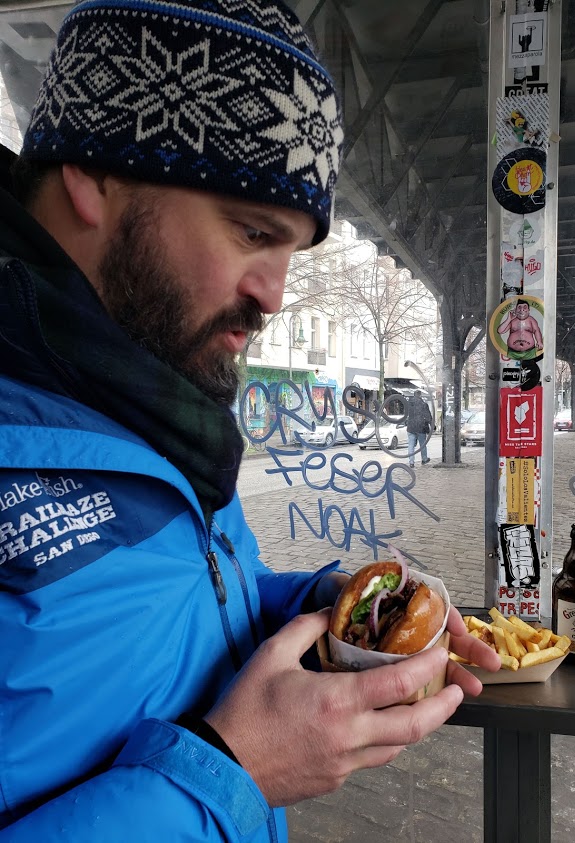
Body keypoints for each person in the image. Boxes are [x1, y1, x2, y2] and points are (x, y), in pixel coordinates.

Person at [0, 1, 500, 840]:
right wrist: (231, 773)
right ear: (93, 174)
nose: (273, 295)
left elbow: (172, 612)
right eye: (249, 232)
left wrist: (320, 610)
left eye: (290, 252)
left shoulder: (160, 391)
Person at [407, 390, 433, 467]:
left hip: (411, 427)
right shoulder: (423, 404)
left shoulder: (409, 404)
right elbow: (428, 416)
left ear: (414, 395)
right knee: (422, 444)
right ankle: (424, 459)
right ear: (420, 395)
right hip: (421, 427)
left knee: (411, 445)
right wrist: (432, 425)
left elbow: (406, 415)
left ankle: (411, 462)